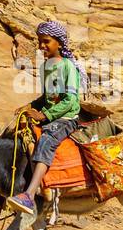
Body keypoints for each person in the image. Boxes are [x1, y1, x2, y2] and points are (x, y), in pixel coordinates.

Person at [7, 20, 84, 214]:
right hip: (51, 117)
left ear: (59, 42)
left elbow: (71, 101)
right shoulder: (46, 67)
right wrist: (30, 106)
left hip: (67, 119)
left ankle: (30, 195)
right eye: (39, 41)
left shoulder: (68, 67)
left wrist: (44, 115)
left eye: (46, 41)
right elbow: (47, 96)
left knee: (47, 139)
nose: (41, 46)